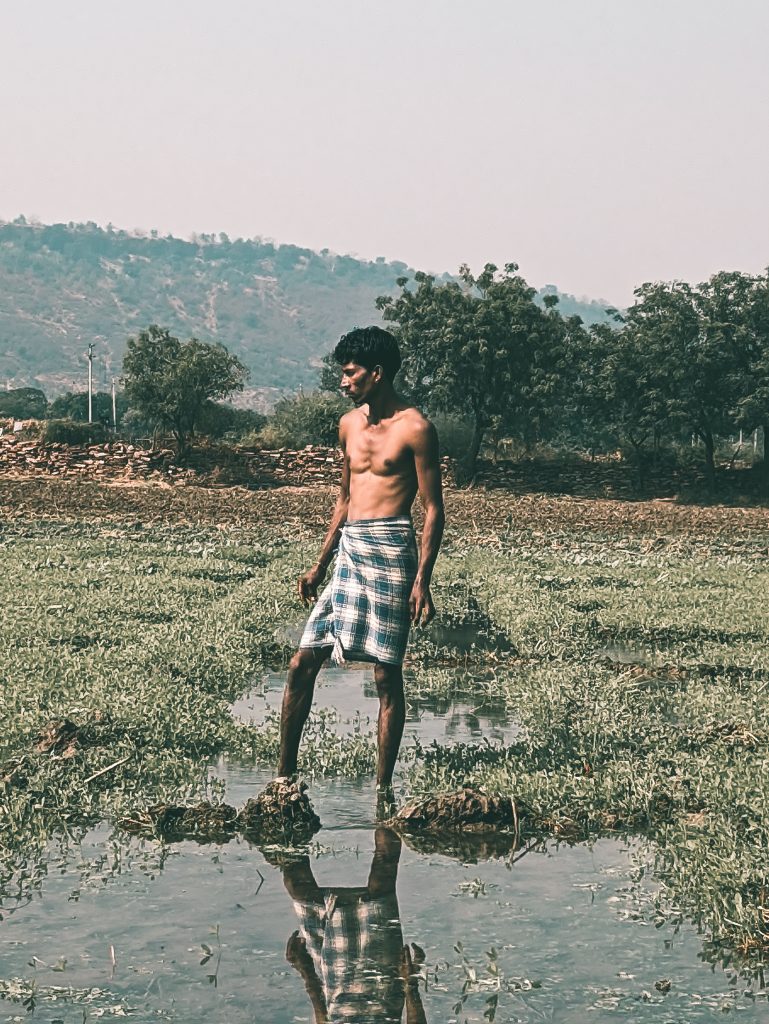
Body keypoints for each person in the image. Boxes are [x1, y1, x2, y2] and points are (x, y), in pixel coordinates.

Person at [277, 326, 444, 804]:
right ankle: (283, 780)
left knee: (387, 675)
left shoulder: (416, 429)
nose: (344, 382)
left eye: (350, 373)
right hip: (351, 545)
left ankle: (383, 789)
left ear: (377, 372)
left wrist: (422, 581)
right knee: (302, 661)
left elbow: (433, 508)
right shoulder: (348, 424)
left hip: (393, 547)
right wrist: (319, 563)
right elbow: (344, 499)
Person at [280, 827, 427, 1023]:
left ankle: (289, 815)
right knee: (382, 876)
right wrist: (410, 983)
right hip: (381, 987)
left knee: (296, 885)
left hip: (335, 984)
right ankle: (388, 808)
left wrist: (306, 971)